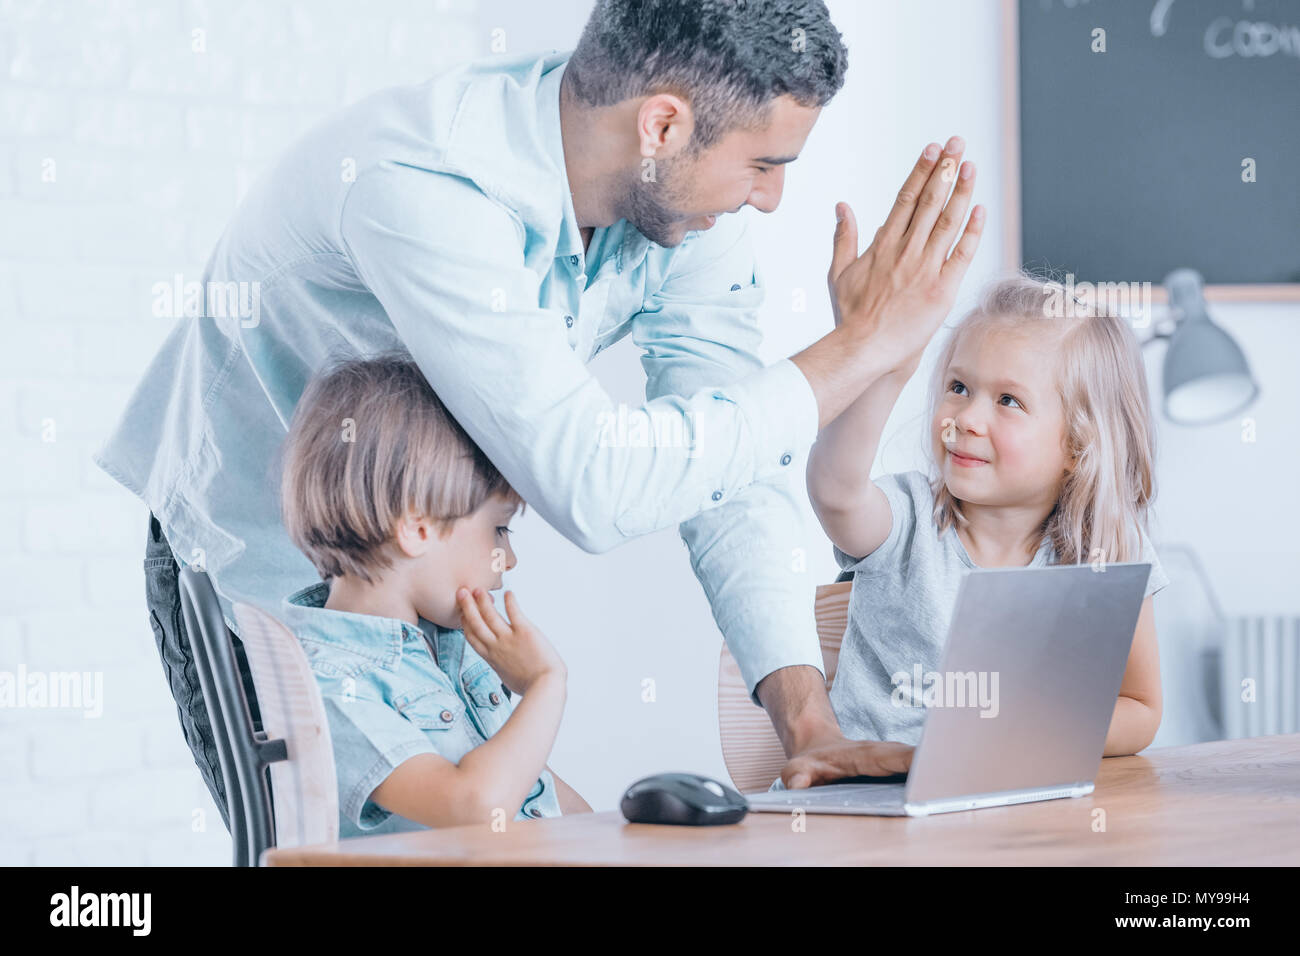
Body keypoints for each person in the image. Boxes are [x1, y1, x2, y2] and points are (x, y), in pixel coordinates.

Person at [96, 0, 985, 829]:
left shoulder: (682, 216)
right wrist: (860, 347)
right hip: (267, 578)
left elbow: (731, 472)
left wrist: (809, 727)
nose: (768, 199)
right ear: (663, 125)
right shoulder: (422, 184)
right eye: (763, 164)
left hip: (432, 588)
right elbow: (595, 486)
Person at [804, 273, 1168, 759]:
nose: (967, 418)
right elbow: (836, 491)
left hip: (1005, 813)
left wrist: (1027, 734)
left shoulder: (1111, 548)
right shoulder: (905, 519)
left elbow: (1139, 708)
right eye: (958, 387)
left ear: (1079, 446)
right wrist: (875, 359)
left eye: (1008, 401)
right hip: (865, 802)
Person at [278, 353, 590, 836]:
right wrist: (547, 685)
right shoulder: (330, 684)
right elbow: (473, 808)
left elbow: (535, 793)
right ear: (418, 527)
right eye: (499, 529)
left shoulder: (449, 650)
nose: (508, 560)